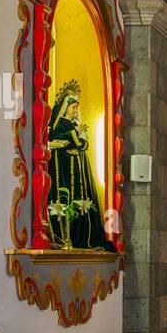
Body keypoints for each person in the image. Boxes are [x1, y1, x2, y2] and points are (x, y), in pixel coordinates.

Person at [45, 79, 115, 250]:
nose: (75, 110)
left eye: (77, 107)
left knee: (80, 200)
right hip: (62, 169)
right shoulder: (58, 125)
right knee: (63, 199)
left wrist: (78, 136)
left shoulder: (76, 126)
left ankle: (82, 237)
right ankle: (63, 237)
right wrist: (75, 135)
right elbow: (54, 140)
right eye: (73, 107)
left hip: (78, 169)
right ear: (65, 107)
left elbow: (83, 145)